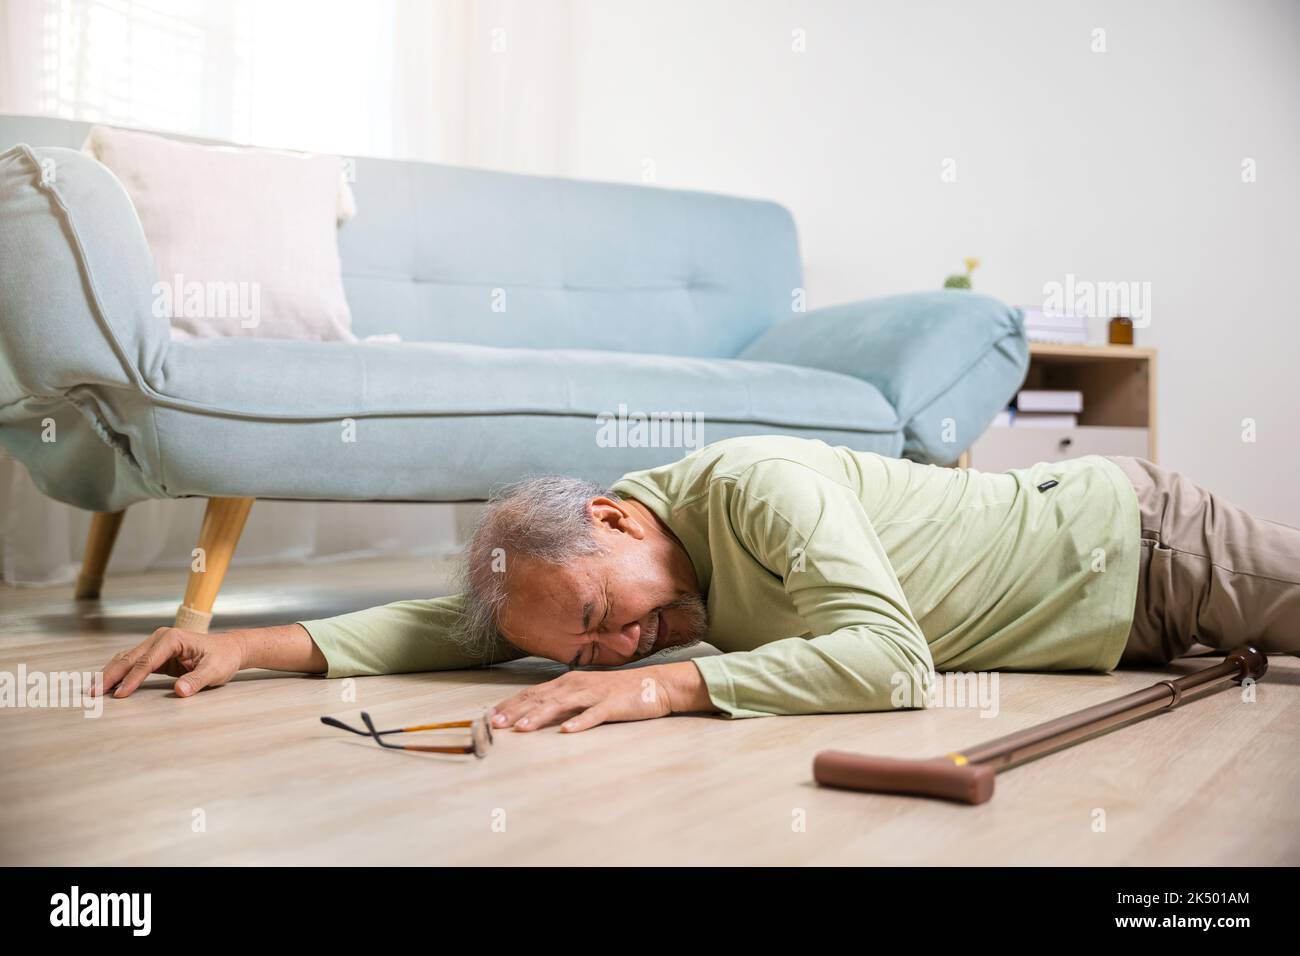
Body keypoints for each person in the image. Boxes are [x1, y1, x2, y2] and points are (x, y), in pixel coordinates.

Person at [93, 435, 1300, 733]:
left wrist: (656, 692)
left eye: (602, 620)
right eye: (587, 656)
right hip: (1115, 632)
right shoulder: (595, 578)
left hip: (1143, 546)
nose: (611, 650)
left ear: (616, 517)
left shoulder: (757, 486)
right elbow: (458, 628)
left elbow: (890, 659)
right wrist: (250, 645)